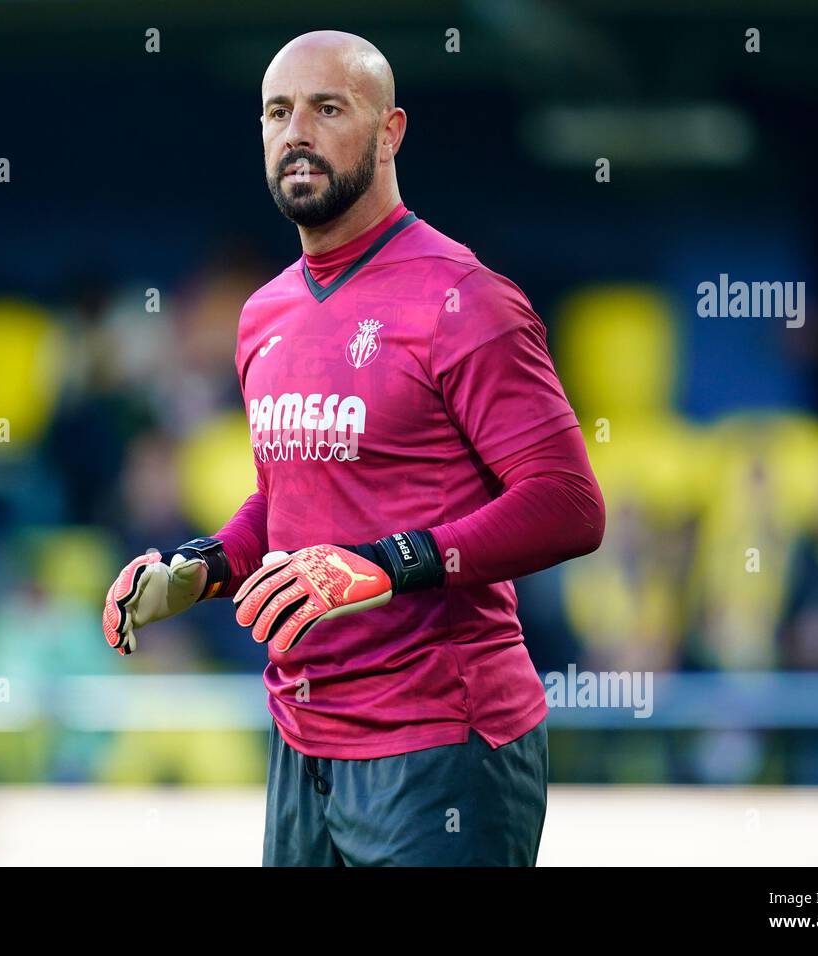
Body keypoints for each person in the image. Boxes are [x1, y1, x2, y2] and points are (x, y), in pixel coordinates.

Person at [102, 30, 605, 866]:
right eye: (276, 111)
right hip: (302, 741)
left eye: (327, 108)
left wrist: (386, 562)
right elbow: (287, 501)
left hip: (443, 744)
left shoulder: (465, 299)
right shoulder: (263, 313)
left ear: (390, 131)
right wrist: (204, 567)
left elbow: (569, 505)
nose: (295, 130)